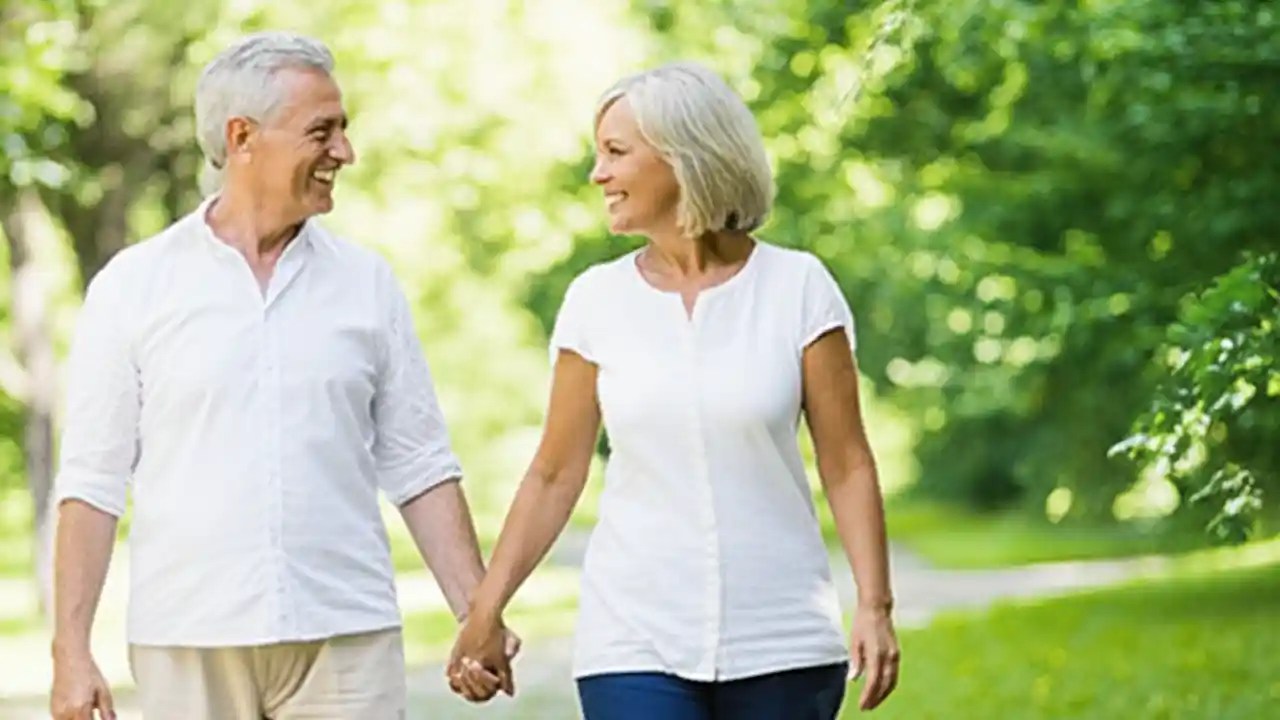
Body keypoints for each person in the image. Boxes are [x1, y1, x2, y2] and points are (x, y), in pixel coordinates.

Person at [48, 31, 514, 720]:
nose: (344, 153)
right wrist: (70, 650)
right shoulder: (134, 287)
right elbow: (92, 480)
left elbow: (418, 462)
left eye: (344, 130)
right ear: (242, 138)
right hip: (189, 636)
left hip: (345, 633)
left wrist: (476, 616)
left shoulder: (367, 283)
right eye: (321, 132)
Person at [448, 61, 900, 718]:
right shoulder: (595, 301)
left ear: (686, 157)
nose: (597, 174)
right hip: (632, 639)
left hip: (781, 641)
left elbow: (847, 461)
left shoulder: (798, 288)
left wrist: (875, 605)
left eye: (616, 153)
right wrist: (485, 610)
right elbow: (554, 472)